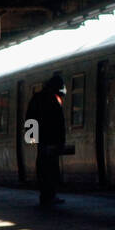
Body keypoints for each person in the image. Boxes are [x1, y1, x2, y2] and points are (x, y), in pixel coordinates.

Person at [25, 72, 67, 206]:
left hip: (42, 139)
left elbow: (30, 118)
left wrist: (31, 137)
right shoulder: (54, 100)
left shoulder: (37, 98)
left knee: (43, 167)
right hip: (51, 138)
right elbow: (59, 122)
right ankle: (50, 194)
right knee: (51, 167)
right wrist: (61, 140)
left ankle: (45, 194)